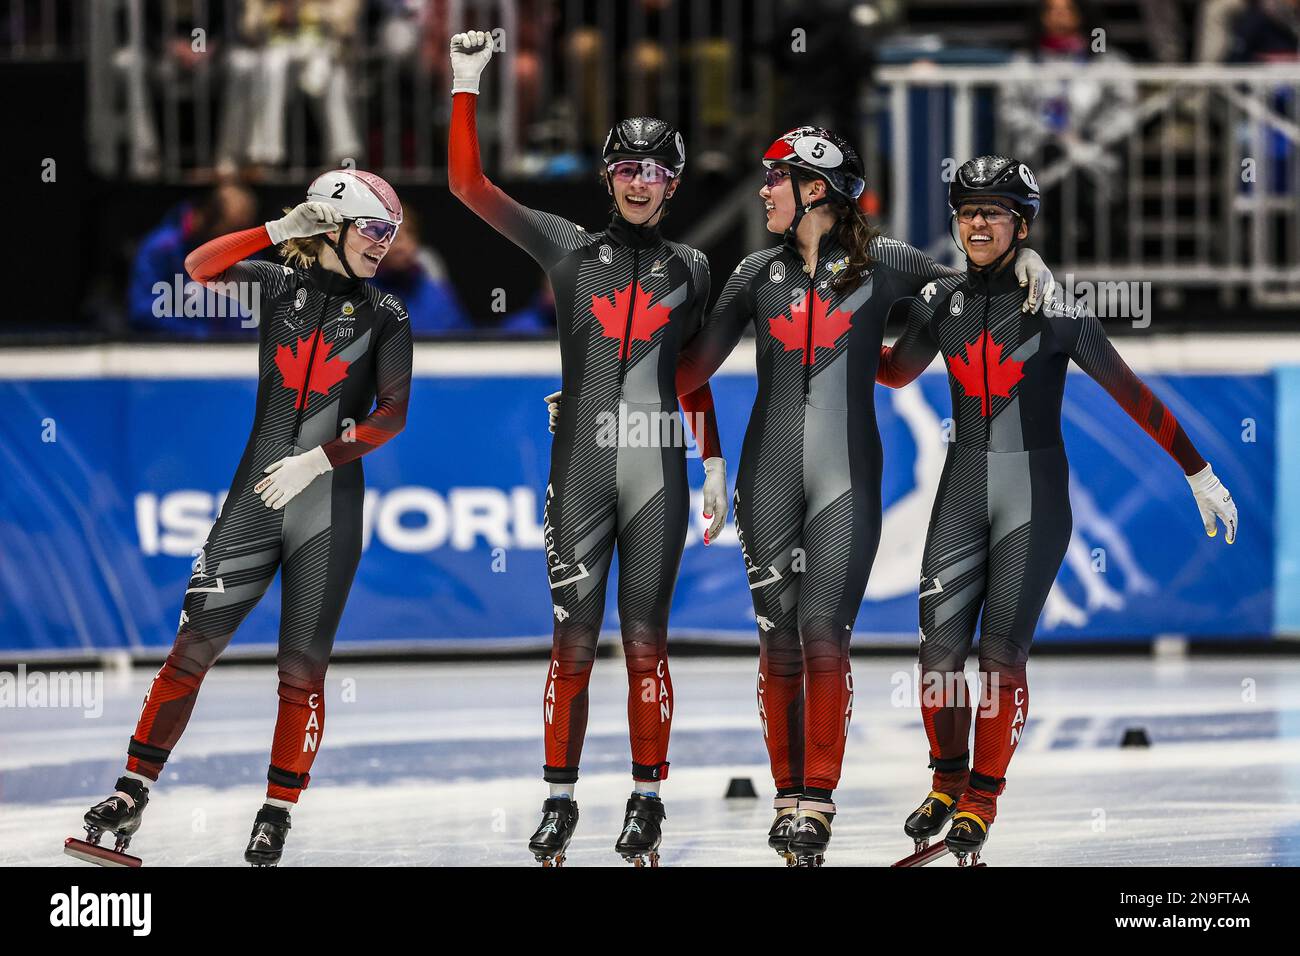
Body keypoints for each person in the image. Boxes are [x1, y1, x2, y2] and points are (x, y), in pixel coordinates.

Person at [559, 126, 1053, 866]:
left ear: (814, 189)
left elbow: (966, 284)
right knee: (777, 644)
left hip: (846, 481)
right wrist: (592, 389)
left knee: (824, 635)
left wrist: (1026, 259)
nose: (762, 192)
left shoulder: (883, 264)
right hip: (768, 479)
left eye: (774, 180)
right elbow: (686, 371)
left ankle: (817, 804)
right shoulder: (754, 273)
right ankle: (787, 796)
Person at [876, 155, 1238, 864]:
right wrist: (840, 333)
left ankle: (982, 796)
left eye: (996, 212)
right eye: (968, 211)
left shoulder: (1057, 308)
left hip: (1033, 500)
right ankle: (947, 783)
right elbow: (893, 372)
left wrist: (1199, 471)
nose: (978, 223)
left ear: (1022, 224)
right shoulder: (940, 301)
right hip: (961, 491)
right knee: (939, 653)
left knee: (999, 654)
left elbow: (1132, 393)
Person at [66, 169, 413, 868]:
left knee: (301, 671)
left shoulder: (386, 316)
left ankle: (276, 813)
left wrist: (320, 461)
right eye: (374, 230)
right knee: (191, 647)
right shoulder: (278, 286)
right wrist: (281, 231)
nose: (384, 245)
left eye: (390, 233)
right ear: (332, 227)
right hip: (254, 501)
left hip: (328, 507)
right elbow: (197, 267)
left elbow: (392, 415)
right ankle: (132, 793)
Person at [448, 30, 728, 867]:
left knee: (647, 641)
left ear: (673, 185)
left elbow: (693, 374)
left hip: (659, 469)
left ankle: (647, 801)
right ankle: (560, 799)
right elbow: (468, 185)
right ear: (609, 177)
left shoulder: (694, 265)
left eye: (656, 172)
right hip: (579, 470)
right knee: (572, 641)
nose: (640, 183)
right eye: (628, 169)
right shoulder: (568, 248)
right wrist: (468, 82)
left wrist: (714, 461)